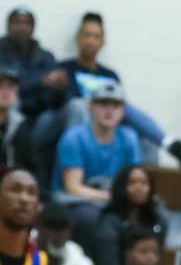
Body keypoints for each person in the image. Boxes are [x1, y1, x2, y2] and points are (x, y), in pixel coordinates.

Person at [46, 13, 181, 175]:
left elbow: (120, 111)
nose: (90, 41)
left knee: (143, 136)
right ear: (78, 38)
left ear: (102, 42)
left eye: (96, 36)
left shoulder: (110, 75)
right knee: (80, 105)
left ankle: (147, 181)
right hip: (77, 121)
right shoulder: (64, 68)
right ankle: (174, 146)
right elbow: (62, 102)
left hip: (106, 125)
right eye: (87, 35)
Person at [52, 83, 141, 230]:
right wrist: (112, 197)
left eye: (115, 105)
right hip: (77, 202)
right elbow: (73, 187)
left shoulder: (129, 138)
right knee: (91, 217)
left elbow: (134, 181)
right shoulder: (74, 137)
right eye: (104, 104)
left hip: (114, 200)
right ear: (91, 107)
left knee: (156, 217)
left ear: (123, 111)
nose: (109, 110)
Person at [91, 165, 168, 265]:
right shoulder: (110, 221)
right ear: (121, 187)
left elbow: (157, 256)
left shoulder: (158, 221)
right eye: (132, 183)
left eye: (144, 183)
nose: (139, 187)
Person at [0, 66, 33, 172]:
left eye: (11, 87)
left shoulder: (20, 124)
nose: (6, 92)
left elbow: (32, 165)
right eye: (1, 86)